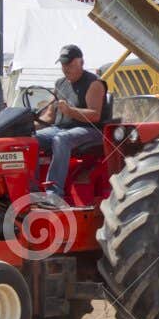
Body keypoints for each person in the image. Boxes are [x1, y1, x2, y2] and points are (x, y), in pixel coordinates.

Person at [33, 45, 109, 204]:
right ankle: (31, 189)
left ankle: (54, 194)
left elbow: (95, 115)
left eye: (70, 65)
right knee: (30, 140)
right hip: (60, 128)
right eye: (63, 65)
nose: (66, 68)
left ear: (81, 62)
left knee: (62, 139)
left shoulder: (94, 83)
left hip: (90, 130)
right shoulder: (60, 84)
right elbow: (49, 116)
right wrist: (28, 127)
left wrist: (70, 111)